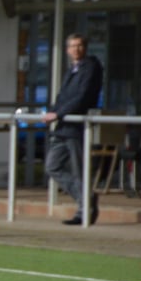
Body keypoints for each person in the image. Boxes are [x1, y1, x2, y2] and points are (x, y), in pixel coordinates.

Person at [42, 33, 104, 226]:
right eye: (72, 46)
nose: (76, 49)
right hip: (63, 127)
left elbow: (82, 96)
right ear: (67, 50)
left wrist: (58, 114)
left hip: (77, 127)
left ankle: (84, 210)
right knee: (52, 166)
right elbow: (63, 95)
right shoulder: (73, 69)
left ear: (84, 47)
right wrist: (52, 112)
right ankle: (86, 199)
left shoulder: (91, 67)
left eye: (79, 45)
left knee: (79, 171)